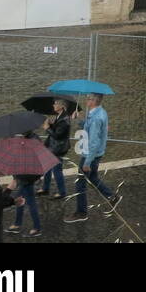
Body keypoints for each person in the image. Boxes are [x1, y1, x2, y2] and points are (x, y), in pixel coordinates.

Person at [63, 93, 119, 223]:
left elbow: (93, 141)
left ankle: (81, 212)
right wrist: (79, 119)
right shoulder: (99, 113)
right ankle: (111, 196)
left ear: (94, 101)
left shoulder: (96, 118)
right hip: (96, 153)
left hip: (90, 155)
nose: (86, 100)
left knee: (80, 183)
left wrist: (87, 161)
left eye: (88, 98)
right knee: (93, 177)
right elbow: (89, 128)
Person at [6, 131, 43, 237]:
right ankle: (18, 224)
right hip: (24, 176)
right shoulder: (27, 138)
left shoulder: (33, 140)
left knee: (30, 202)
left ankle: (36, 228)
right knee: (20, 199)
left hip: (27, 177)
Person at [38, 99, 71, 200]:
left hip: (58, 148)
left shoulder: (64, 120)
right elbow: (57, 129)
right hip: (53, 147)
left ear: (61, 106)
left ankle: (62, 192)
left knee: (57, 170)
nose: (53, 105)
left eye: (55, 104)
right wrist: (51, 124)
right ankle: (45, 188)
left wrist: (47, 128)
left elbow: (57, 135)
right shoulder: (60, 116)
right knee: (47, 167)